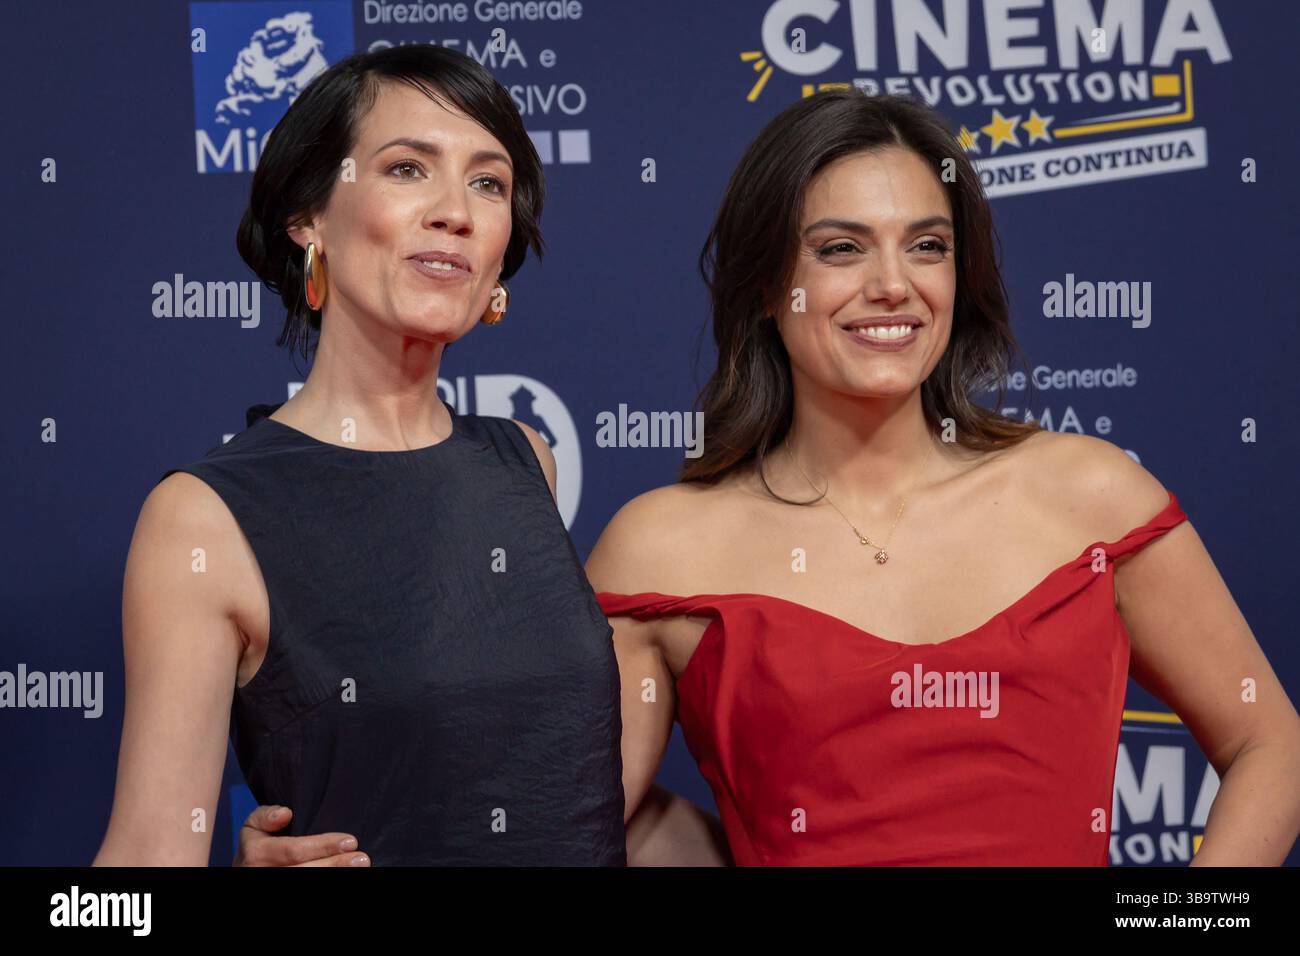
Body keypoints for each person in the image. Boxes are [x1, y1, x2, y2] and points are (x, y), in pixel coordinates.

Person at [237, 90, 1300, 867]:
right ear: (766, 285)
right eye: (839, 248)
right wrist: (317, 835)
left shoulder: (1090, 491)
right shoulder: (664, 545)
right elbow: (543, 824)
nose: (892, 285)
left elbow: (1269, 737)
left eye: (926, 246)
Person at [93, 45, 625, 866]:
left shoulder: (526, 461)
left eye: (489, 182)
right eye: (408, 168)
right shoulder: (203, 519)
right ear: (309, 216)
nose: (457, 209)